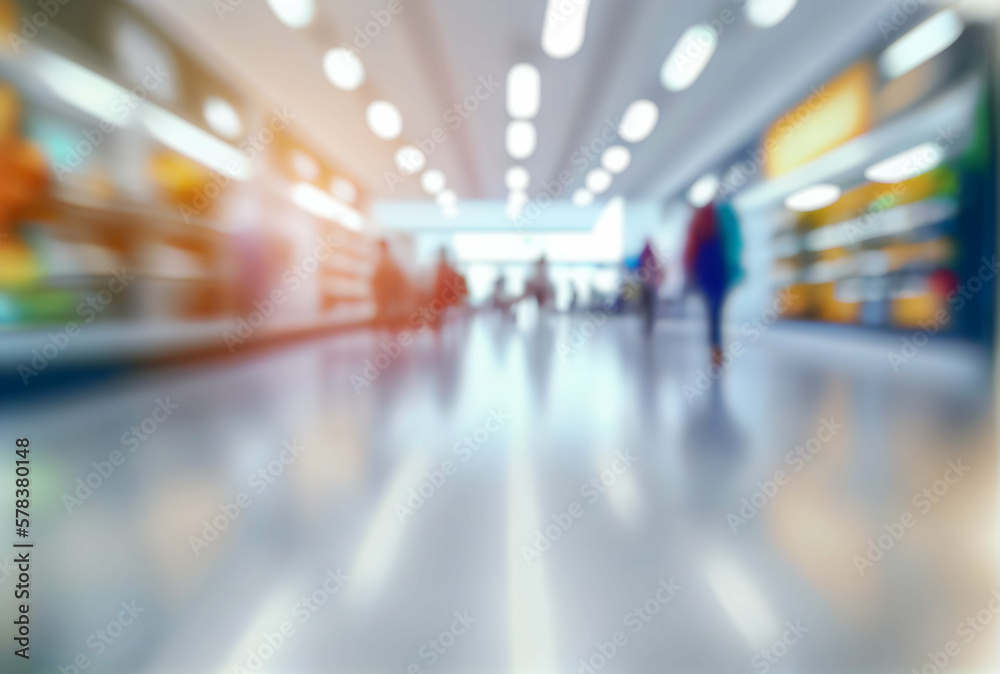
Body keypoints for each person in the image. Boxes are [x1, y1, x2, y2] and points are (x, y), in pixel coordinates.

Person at [683, 199, 744, 366]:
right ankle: (717, 348)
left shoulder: (697, 225)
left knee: (711, 312)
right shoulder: (722, 219)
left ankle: (714, 348)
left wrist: (690, 274)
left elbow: (690, 252)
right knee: (718, 312)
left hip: (704, 274)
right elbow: (735, 244)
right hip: (721, 272)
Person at [372, 239, 408, 326]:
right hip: (389, 295)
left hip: (387, 294)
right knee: (389, 316)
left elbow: (378, 278)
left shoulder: (385, 261)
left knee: (386, 316)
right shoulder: (389, 260)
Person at [638, 239, 665, 335]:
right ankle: (648, 326)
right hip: (650, 286)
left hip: (647, 285)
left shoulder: (644, 257)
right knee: (649, 307)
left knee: (647, 307)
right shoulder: (652, 258)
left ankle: (647, 326)